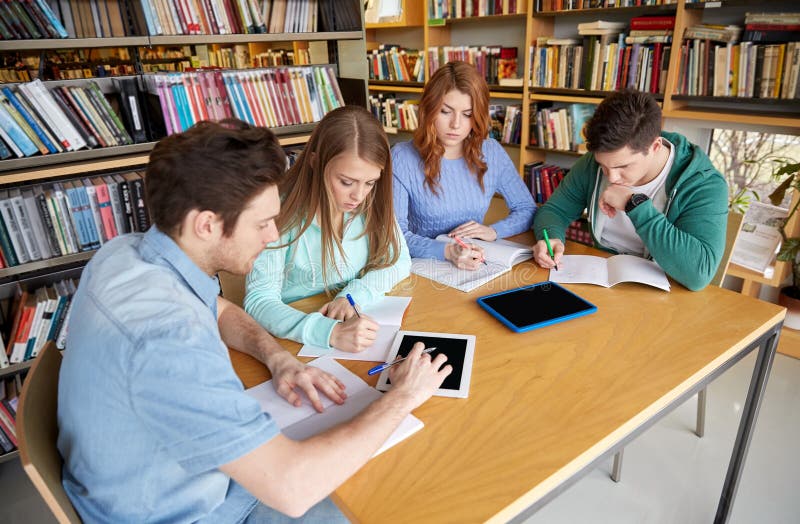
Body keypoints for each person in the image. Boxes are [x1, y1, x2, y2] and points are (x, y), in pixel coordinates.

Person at [57, 119, 451, 522]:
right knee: (393, 494)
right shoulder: (172, 343)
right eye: (262, 223)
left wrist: (276, 356)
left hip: (171, 476)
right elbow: (292, 487)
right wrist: (402, 398)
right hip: (192, 510)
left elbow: (220, 307)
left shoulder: (124, 253)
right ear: (206, 224)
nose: (272, 236)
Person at [245, 106, 411, 354]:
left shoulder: (371, 201)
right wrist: (329, 332)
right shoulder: (277, 211)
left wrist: (352, 296)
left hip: (347, 325)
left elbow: (399, 261)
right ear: (315, 162)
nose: (358, 195)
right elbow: (259, 301)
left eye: (370, 182)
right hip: (291, 340)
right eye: (346, 182)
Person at [531, 88, 729, 291]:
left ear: (655, 146)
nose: (611, 177)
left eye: (622, 167)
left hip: (664, 291)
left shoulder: (704, 184)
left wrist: (636, 206)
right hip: (599, 280)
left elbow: (699, 274)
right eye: (603, 166)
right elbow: (554, 211)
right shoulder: (598, 160)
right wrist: (552, 237)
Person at [392, 61, 536, 270]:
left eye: (467, 114)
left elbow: (527, 209)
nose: (456, 124)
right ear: (429, 109)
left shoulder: (491, 152)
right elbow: (395, 236)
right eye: (445, 111)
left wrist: (494, 231)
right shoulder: (402, 158)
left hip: (473, 265)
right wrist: (447, 251)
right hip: (421, 269)